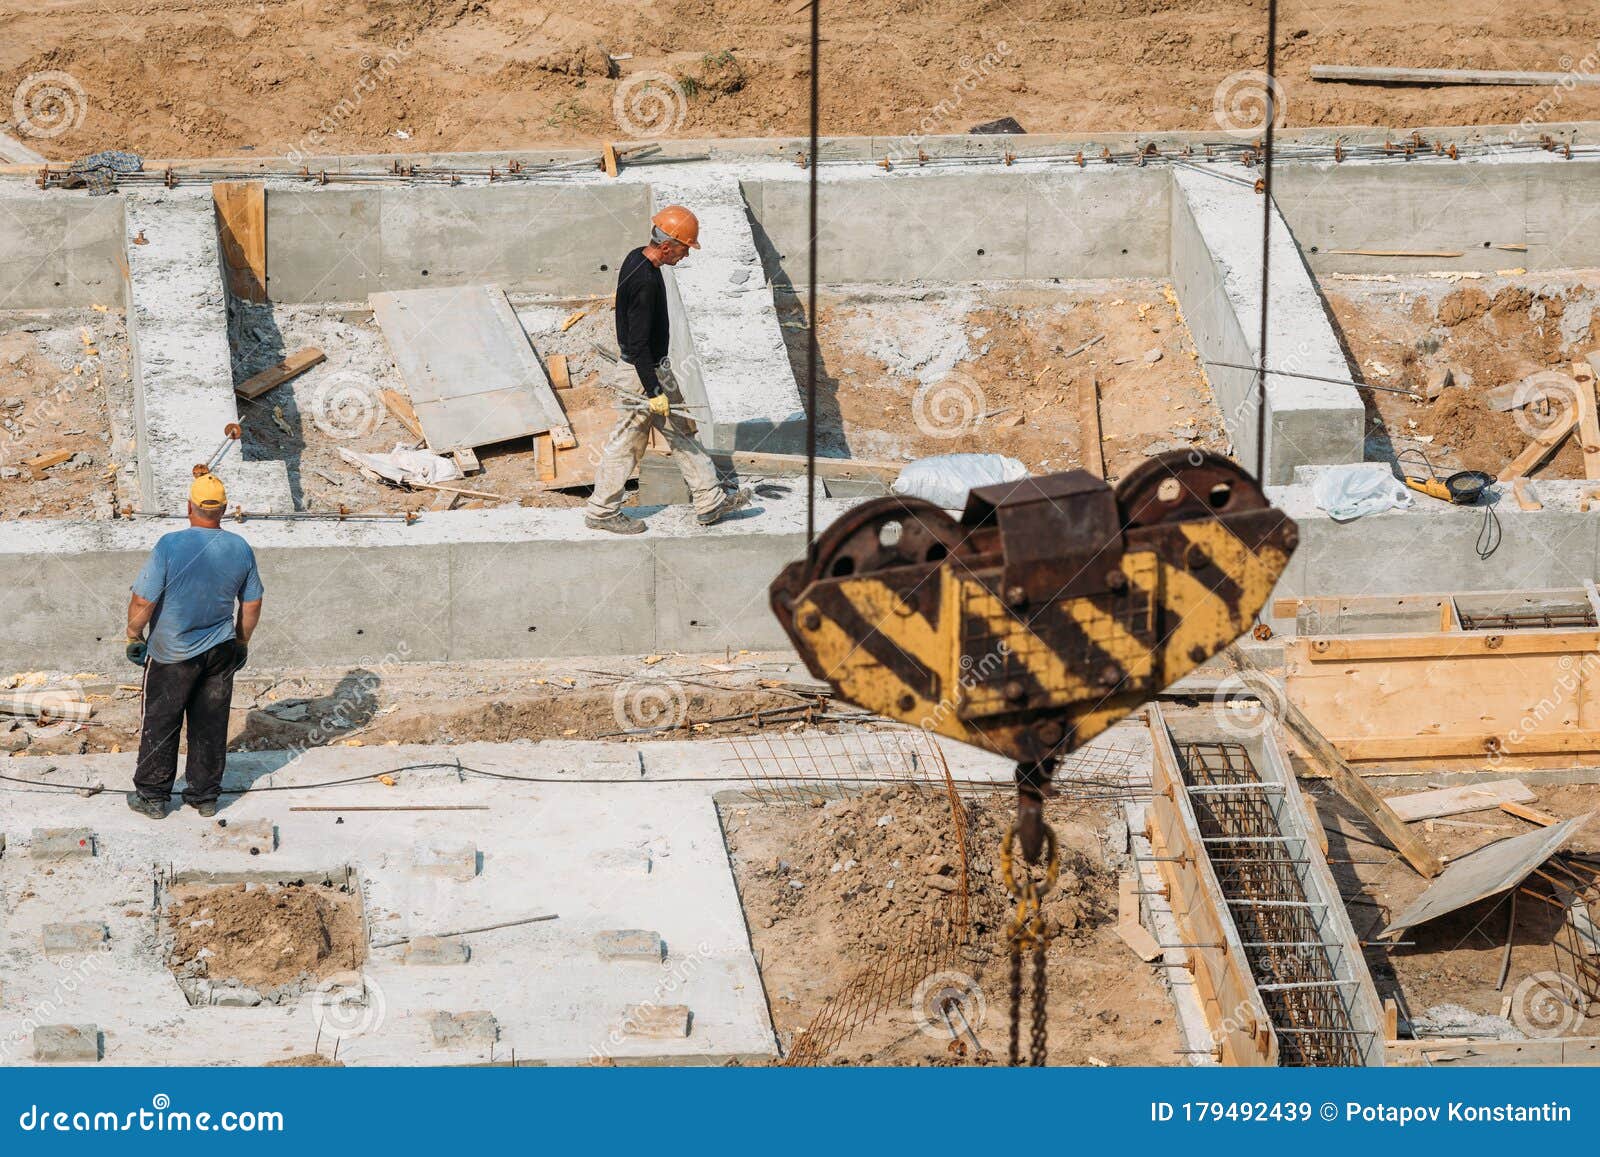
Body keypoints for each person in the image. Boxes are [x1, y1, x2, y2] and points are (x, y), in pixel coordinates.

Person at [584, 204, 748, 534]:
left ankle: (709, 499)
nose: (686, 255)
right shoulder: (645, 282)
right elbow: (638, 344)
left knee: (681, 431)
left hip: (654, 369)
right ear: (667, 246)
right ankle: (601, 511)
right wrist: (654, 390)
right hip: (640, 373)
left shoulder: (637, 257)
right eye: (685, 249)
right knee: (627, 442)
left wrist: (659, 381)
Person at [123, 472, 263, 819]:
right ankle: (204, 796)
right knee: (210, 722)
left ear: (189, 507)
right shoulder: (240, 548)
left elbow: (143, 599)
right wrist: (241, 641)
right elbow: (252, 603)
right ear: (224, 510)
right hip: (220, 651)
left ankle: (153, 797)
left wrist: (133, 635)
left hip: (171, 654)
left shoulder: (169, 545)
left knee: (161, 720)